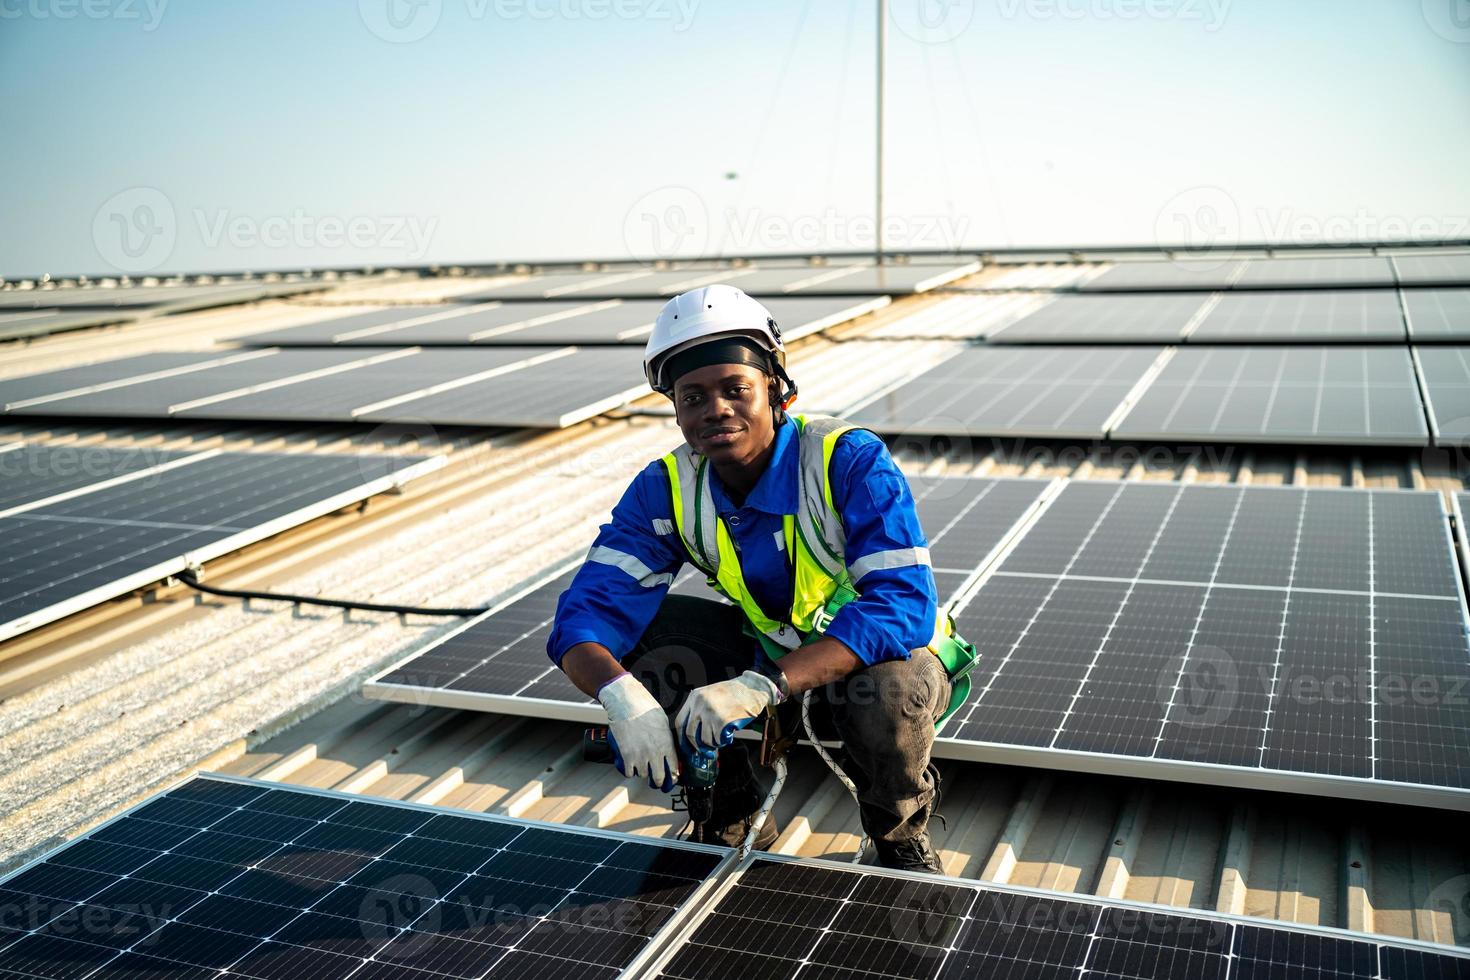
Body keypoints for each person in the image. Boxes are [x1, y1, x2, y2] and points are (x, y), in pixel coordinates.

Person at [545, 283, 971, 873]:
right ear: (675, 410)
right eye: (692, 396)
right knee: (643, 638)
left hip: (879, 664)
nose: (714, 408)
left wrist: (761, 687)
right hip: (773, 657)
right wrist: (623, 699)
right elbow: (586, 611)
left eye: (735, 389)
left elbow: (902, 606)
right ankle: (730, 812)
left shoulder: (846, 459)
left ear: (776, 390)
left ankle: (898, 836)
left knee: (889, 691)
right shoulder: (667, 487)